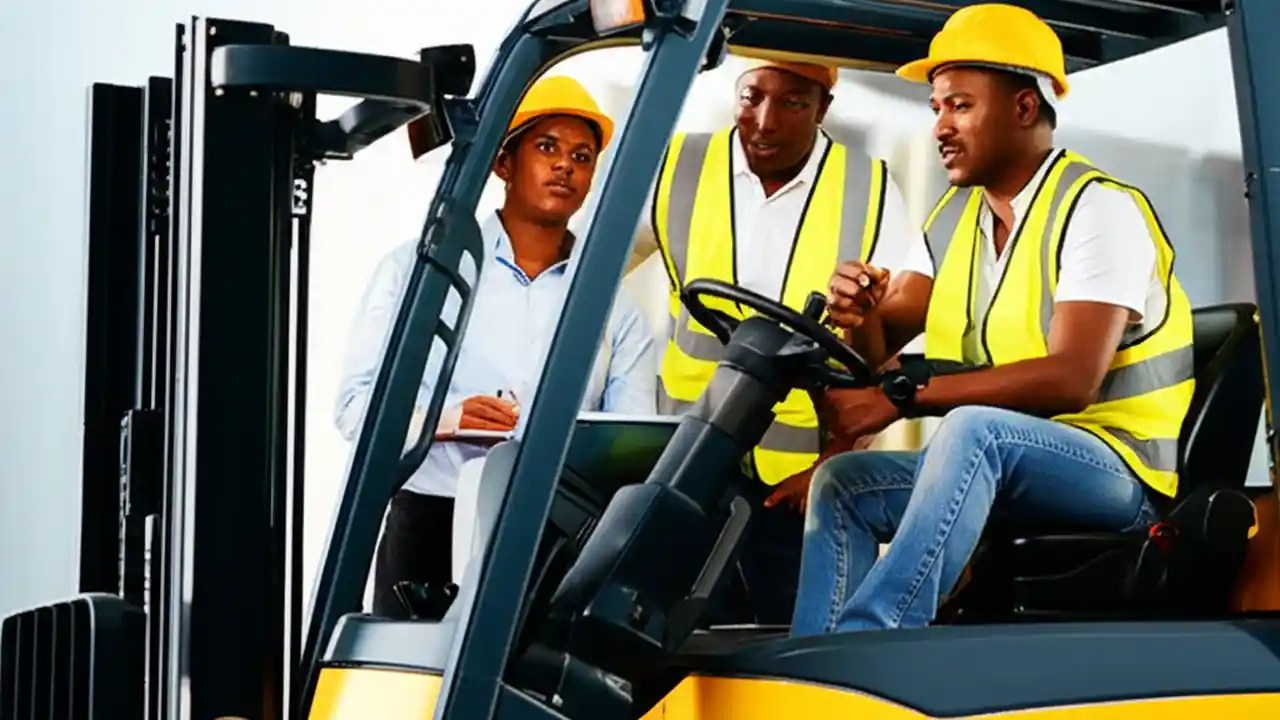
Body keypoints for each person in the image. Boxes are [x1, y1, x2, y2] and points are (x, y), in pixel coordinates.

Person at [788, 3, 1195, 635]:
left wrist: (903, 395)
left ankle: (873, 639)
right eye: (936, 110)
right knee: (844, 482)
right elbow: (874, 355)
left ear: (1024, 109)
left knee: (974, 428)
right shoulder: (954, 222)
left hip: (1121, 471)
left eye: (960, 106)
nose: (941, 128)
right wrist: (858, 313)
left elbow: (1071, 380)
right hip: (1010, 458)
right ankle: (812, 668)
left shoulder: (1096, 209)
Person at [335, 75, 657, 618]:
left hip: (552, 534)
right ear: (503, 164)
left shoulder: (614, 304)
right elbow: (353, 410)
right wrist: (447, 418)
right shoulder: (422, 272)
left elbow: (631, 438)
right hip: (430, 523)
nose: (565, 166)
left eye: (581, 156)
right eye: (547, 148)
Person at [628, 58, 921, 623]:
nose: (764, 120)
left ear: (823, 108)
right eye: (751, 96)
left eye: (792, 102)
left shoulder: (873, 186)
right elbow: (588, 272)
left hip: (795, 480)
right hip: (683, 457)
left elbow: (881, 358)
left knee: (783, 637)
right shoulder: (675, 166)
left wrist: (831, 468)